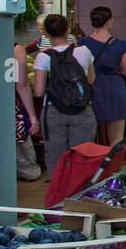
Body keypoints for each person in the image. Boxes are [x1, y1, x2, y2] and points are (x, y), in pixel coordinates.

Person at [32, 13, 97, 177]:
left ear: (46, 33)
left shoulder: (43, 57)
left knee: (56, 159)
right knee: (83, 157)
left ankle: (59, 198)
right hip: (82, 110)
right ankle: (80, 198)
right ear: (68, 30)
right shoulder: (84, 51)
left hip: (54, 111)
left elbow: (38, 91)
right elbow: (90, 80)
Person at [83, 6, 126, 146]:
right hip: (115, 88)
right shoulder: (121, 45)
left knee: (91, 138)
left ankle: (94, 167)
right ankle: (113, 166)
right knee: (116, 138)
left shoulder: (82, 44)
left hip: (92, 89)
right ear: (109, 21)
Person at [14, 42, 41, 181]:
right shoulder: (15, 49)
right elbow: (22, 84)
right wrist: (32, 116)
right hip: (11, 108)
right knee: (30, 171)